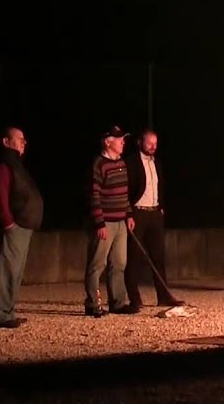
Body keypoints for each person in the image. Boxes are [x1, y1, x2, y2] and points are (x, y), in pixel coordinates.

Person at [0, 126, 42, 328]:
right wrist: (8, 222)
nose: (23, 142)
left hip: (22, 225)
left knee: (15, 272)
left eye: (24, 139)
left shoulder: (15, 163)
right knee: (6, 271)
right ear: (6, 141)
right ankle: (0, 314)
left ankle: (8, 311)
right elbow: (0, 196)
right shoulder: (5, 164)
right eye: (19, 138)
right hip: (13, 226)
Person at [124, 129, 184, 308]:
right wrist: (128, 213)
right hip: (138, 212)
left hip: (154, 213)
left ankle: (163, 296)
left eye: (155, 143)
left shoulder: (157, 162)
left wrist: (161, 206)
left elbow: (160, 185)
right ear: (140, 143)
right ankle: (134, 298)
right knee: (133, 257)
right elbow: (125, 190)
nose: (153, 147)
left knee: (158, 256)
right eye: (150, 143)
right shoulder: (131, 162)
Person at [84, 125, 136, 316]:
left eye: (123, 138)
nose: (123, 142)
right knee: (97, 264)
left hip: (121, 221)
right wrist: (99, 222)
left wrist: (128, 214)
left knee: (119, 263)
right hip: (105, 222)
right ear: (108, 142)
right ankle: (92, 303)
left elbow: (125, 192)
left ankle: (118, 302)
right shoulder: (98, 164)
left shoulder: (121, 163)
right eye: (119, 139)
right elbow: (94, 194)